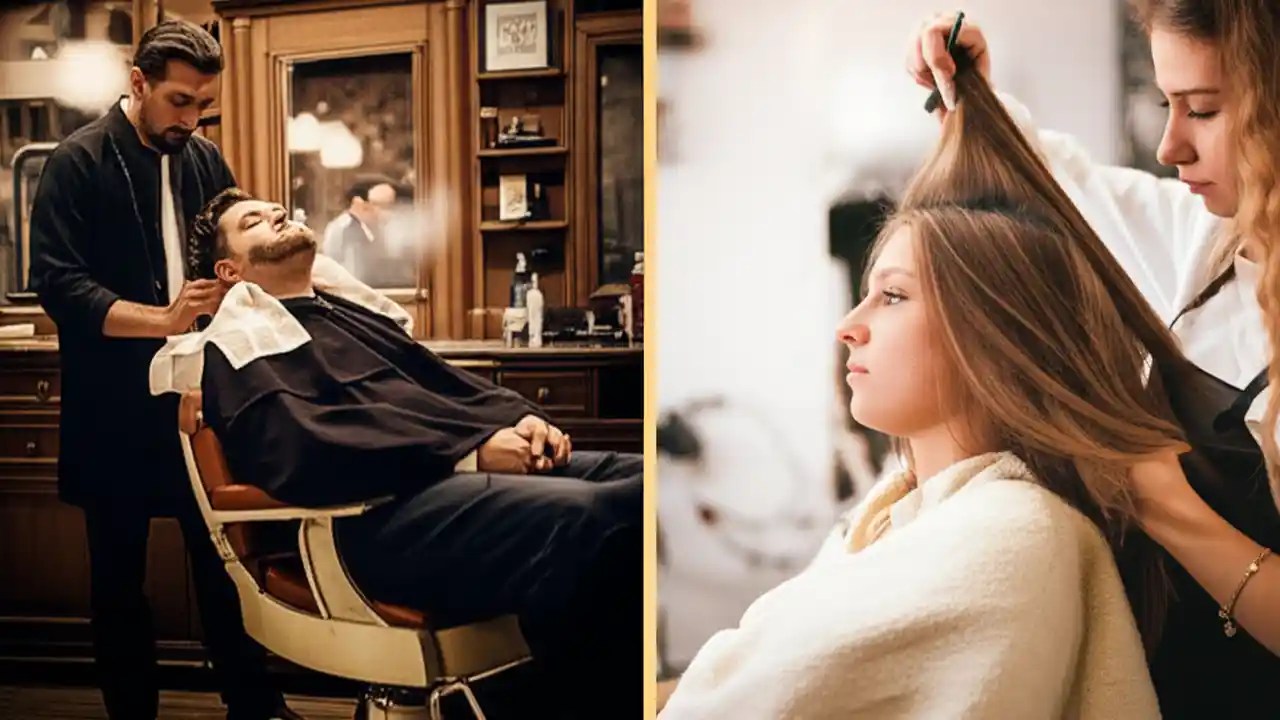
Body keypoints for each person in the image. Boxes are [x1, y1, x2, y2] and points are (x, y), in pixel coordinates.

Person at [660, 61, 1185, 719]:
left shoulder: (1013, 536)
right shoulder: (904, 514)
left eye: (894, 296)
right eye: (865, 295)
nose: (850, 328)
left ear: (994, 335)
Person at [909, 6, 1279, 717]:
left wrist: (1167, 509)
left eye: (1202, 110)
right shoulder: (1201, 240)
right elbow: (1065, 183)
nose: (1171, 145)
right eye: (1165, 105)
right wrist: (969, 93)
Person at [178, 187, 642, 720]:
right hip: (375, 521)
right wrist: (469, 457)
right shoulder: (242, 345)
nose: (276, 214)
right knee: (592, 521)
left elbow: (442, 389)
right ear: (229, 271)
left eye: (273, 208)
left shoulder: (345, 315)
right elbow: (309, 454)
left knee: (647, 480)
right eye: (253, 222)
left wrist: (520, 419)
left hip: (438, 492)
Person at [27, 20, 298, 720]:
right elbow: (57, 283)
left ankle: (254, 707)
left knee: (224, 565)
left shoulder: (206, 160)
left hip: (198, 401)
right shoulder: (76, 162)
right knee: (117, 581)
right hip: (110, 407)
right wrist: (162, 320)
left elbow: (240, 260)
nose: (193, 119)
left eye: (204, 104)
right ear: (138, 82)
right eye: (180, 101)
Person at [321, 174, 411, 287]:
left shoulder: (380, 229)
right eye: (382, 206)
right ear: (359, 204)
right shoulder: (344, 230)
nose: (388, 213)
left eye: (391, 206)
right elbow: (353, 277)